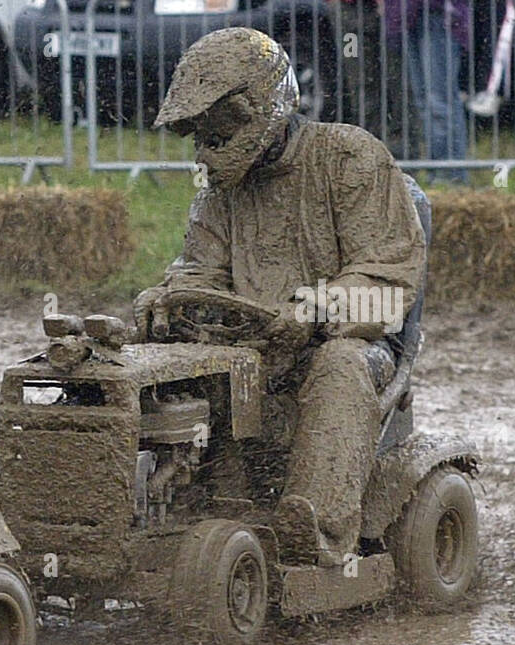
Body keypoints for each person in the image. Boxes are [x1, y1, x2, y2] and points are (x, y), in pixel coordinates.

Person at [133, 28, 427, 567]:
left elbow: (388, 285)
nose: (208, 144)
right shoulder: (219, 193)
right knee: (155, 366)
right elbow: (200, 271)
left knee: (339, 364)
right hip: (251, 349)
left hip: (348, 347)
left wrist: (314, 309)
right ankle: (155, 510)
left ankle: (316, 529)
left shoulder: (349, 158)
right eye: (201, 131)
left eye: (220, 126)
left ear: (259, 108)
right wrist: (167, 298)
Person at [383, 0, 471, 182]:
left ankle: (450, 174)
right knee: (425, 102)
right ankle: (438, 171)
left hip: (439, 15)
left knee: (439, 101)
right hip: (408, 16)